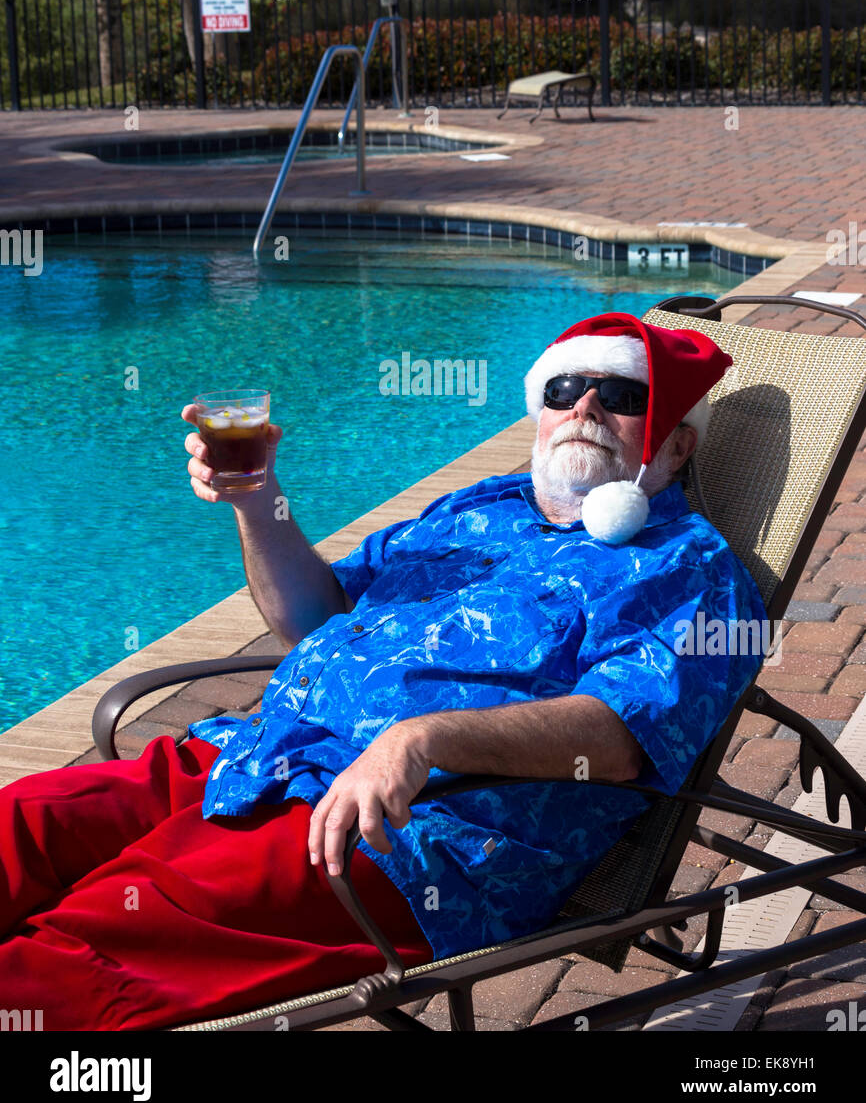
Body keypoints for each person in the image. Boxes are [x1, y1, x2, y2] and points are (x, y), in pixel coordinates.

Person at [0, 312, 766, 1031]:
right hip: (250, 758)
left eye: (623, 396)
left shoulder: (694, 572)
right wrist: (258, 502)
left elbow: (623, 736)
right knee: (18, 828)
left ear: (676, 445)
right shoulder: (478, 506)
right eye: (565, 389)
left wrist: (421, 740)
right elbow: (314, 614)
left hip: (391, 830)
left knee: (87, 948)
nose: (585, 406)